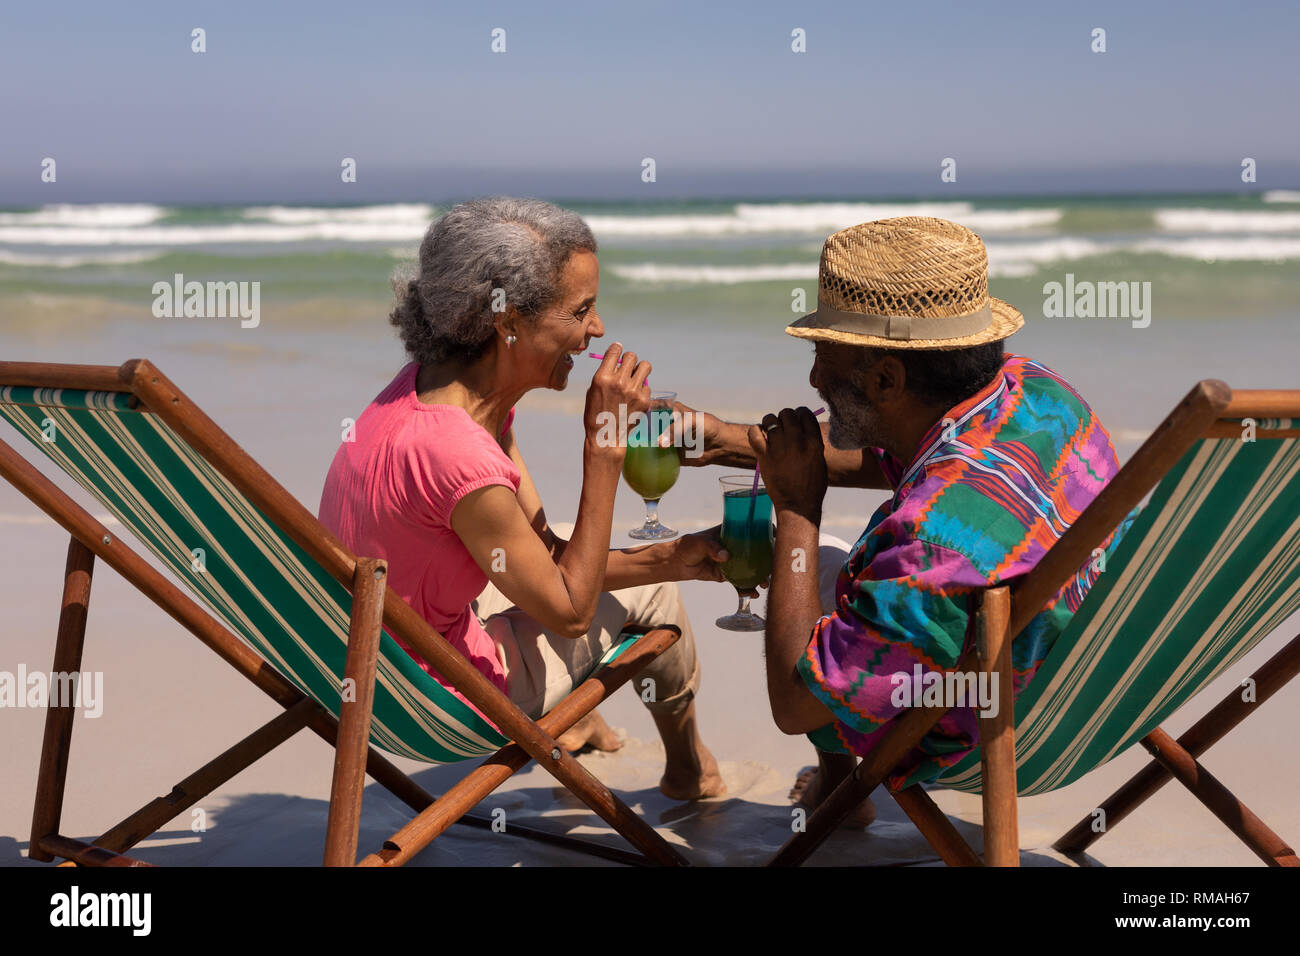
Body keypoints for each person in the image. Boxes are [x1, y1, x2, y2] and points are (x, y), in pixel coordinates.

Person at [666, 216, 1131, 823]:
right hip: (1104, 693)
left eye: (821, 356)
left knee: (822, 564)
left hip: (981, 725)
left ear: (886, 378)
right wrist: (736, 441)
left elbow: (794, 700)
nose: (812, 379)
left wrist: (797, 509)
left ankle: (841, 793)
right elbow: (907, 452)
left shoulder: (930, 540)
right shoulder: (1038, 395)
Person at [318, 197, 726, 800]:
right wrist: (604, 448)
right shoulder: (459, 452)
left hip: (357, 662)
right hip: (441, 697)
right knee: (656, 595)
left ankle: (583, 713)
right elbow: (570, 610)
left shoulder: (426, 391)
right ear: (507, 323)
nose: (598, 329)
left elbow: (544, 550)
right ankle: (691, 771)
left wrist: (672, 554)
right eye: (581, 310)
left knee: (629, 563)